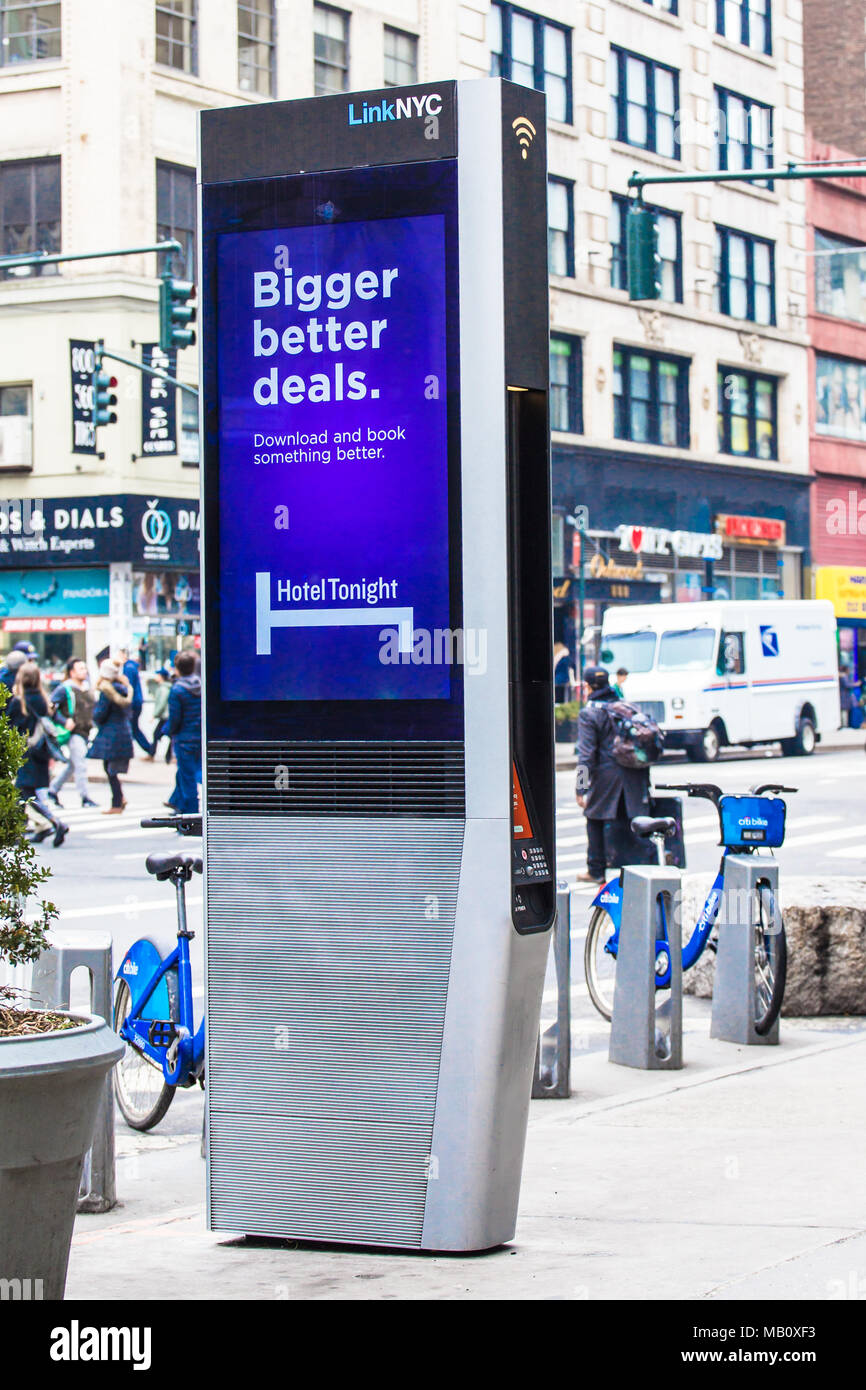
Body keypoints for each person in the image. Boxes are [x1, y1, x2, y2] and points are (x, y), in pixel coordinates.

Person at [575, 665, 650, 885]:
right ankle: (643, 869)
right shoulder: (627, 707)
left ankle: (596, 869)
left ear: (588, 686)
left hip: (607, 774)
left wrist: (581, 788)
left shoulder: (590, 713)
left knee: (594, 817)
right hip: (636, 772)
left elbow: (586, 754)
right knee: (636, 819)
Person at [6, 660, 69, 846]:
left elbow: (10, 726)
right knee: (29, 791)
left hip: (26, 752)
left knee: (24, 791)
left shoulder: (20, 701)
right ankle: (39, 828)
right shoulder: (42, 699)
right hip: (41, 752)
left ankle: (55, 822)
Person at [48, 657, 97, 808]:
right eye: (80, 669)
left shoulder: (87, 687)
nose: (84, 671)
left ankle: (53, 790)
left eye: (84, 668)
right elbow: (51, 707)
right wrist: (64, 721)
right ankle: (85, 797)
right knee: (80, 763)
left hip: (86, 730)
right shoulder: (65, 688)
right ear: (72, 672)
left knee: (73, 765)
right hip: (73, 732)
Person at [87, 659, 134, 814]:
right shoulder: (123, 689)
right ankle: (120, 798)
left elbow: (100, 714)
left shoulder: (107, 692)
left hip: (111, 733)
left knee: (110, 769)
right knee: (110, 768)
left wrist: (94, 715)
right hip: (123, 730)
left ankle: (117, 803)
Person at [165, 649, 201, 815]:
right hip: (199, 736)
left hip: (184, 738)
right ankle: (176, 802)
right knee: (185, 772)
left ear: (176, 668)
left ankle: (190, 813)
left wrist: (168, 732)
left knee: (187, 777)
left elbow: (175, 719)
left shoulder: (177, 690)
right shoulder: (201, 685)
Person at [118, 646, 152, 758]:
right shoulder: (132, 667)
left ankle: (148, 749)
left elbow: (128, 686)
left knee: (132, 728)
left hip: (133, 702)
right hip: (136, 701)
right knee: (134, 728)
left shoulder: (128, 668)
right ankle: (148, 749)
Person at [147, 668, 173, 761]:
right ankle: (167, 756)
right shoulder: (164, 687)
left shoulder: (163, 688)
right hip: (166, 716)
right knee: (167, 735)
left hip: (165, 716)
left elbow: (161, 703)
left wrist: (155, 715)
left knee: (160, 734)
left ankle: (156, 754)